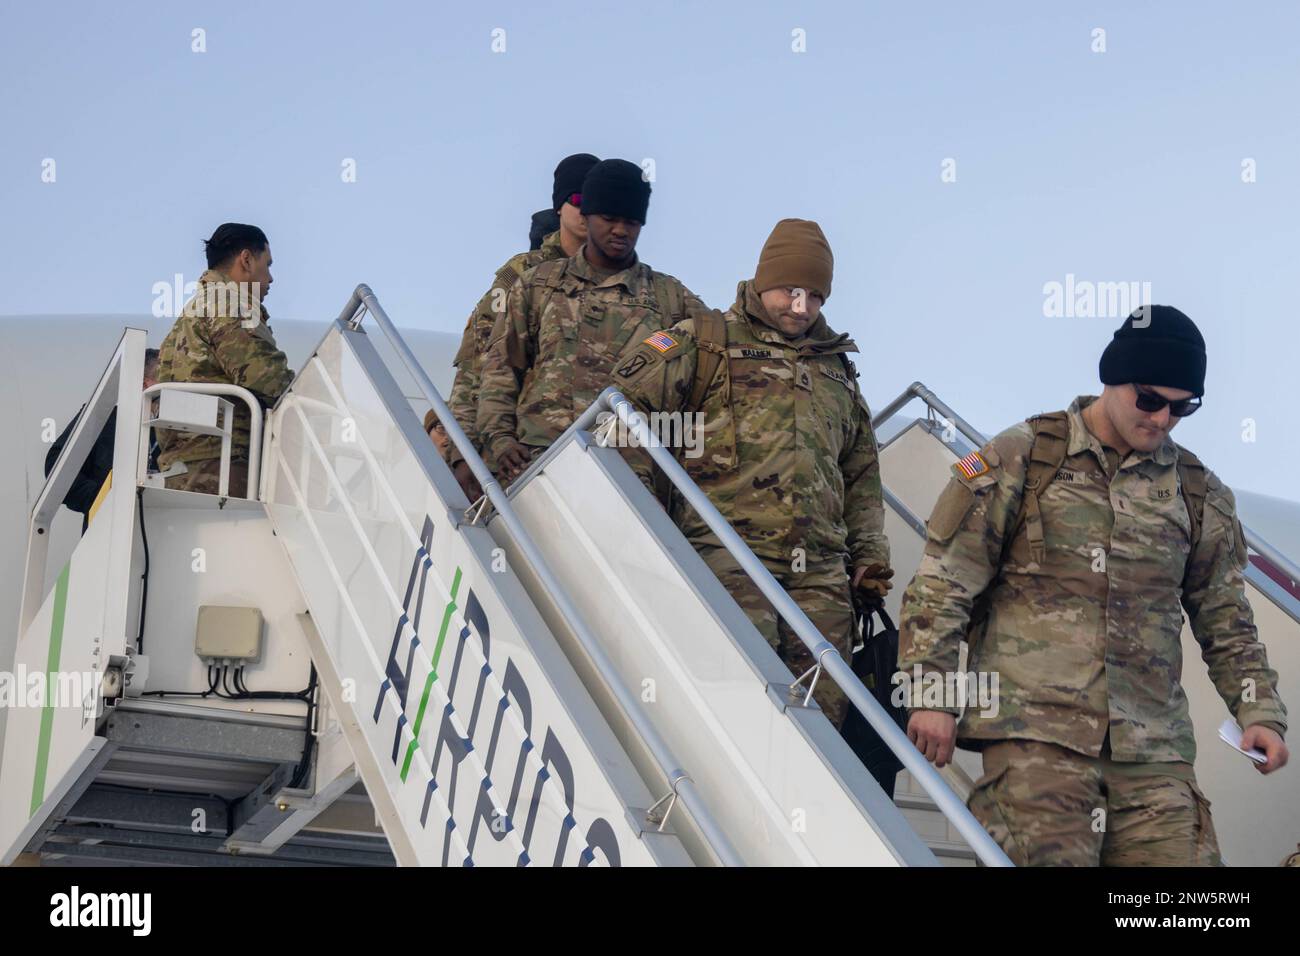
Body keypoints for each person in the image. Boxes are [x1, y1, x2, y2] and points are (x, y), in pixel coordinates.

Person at [898, 305, 1288, 866]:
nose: (1162, 419)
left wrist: (1258, 712)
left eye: (1183, 408)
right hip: (1036, 739)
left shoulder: (1197, 493)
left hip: (1154, 753)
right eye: (1150, 399)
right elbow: (944, 581)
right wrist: (931, 695)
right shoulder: (1024, 456)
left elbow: (1226, 617)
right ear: (1113, 377)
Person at [609, 219, 891, 725]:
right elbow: (623, 415)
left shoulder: (838, 371)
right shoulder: (704, 341)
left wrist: (869, 557)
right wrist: (645, 519)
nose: (801, 308)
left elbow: (861, 473)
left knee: (820, 718)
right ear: (763, 281)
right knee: (733, 703)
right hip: (727, 554)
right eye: (790, 291)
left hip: (822, 573)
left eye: (815, 296)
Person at [476, 158, 710, 483]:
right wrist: (500, 440)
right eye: (609, 218)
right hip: (536, 463)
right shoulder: (537, 284)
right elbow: (500, 371)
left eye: (632, 222)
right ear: (586, 215)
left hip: (627, 474)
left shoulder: (671, 298)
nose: (620, 231)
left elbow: (722, 353)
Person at [445, 152, 600, 498]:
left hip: (595, 457)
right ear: (560, 206)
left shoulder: (625, 283)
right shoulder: (521, 275)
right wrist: (463, 453)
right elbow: (476, 366)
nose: (588, 211)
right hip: (516, 458)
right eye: (579, 200)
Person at [155, 223, 293, 497]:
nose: (271, 279)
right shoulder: (232, 304)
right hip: (222, 468)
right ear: (246, 259)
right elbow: (269, 381)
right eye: (267, 265)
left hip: (184, 469)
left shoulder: (193, 310)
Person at [45, 349, 160, 530]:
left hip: (165, 534)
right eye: (168, 380)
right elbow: (56, 465)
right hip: (106, 538)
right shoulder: (101, 419)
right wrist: (103, 498)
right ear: (145, 384)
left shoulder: (177, 431)